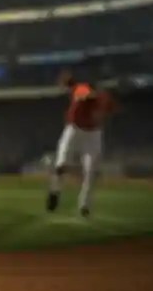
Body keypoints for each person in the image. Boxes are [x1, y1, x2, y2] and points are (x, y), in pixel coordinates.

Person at [46, 70, 117, 217]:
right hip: (74, 129)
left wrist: (103, 102)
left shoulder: (101, 95)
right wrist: (96, 97)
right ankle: (55, 192)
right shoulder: (81, 88)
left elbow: (110, 109)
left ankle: (84, 205)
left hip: (93, 134)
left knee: (90, 171)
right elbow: (83, 94)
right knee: (61, 164)